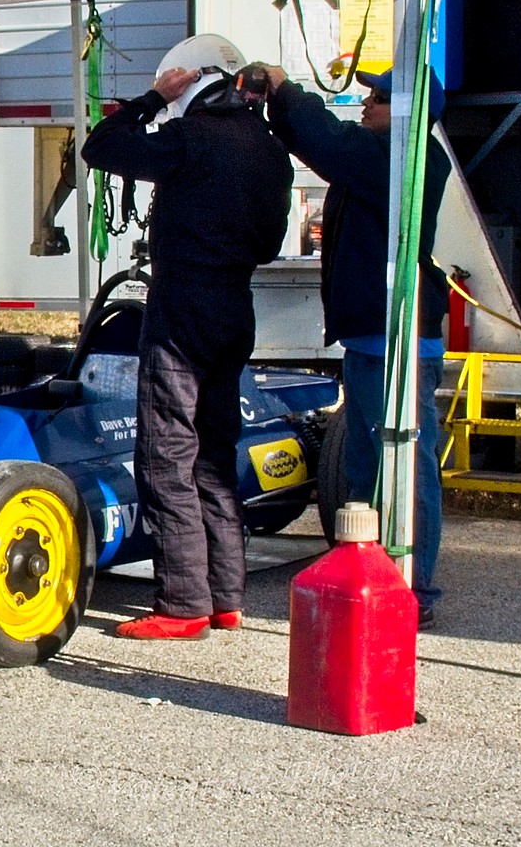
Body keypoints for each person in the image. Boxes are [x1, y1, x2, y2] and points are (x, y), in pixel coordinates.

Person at [83, 35, 292, 639]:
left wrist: (151, 98)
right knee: (215, 454)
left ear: (191, 82)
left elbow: (103, 147)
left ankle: (183, 603)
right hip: (236, 305)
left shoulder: (191, 136)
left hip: (183, 306)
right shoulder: (270, 148)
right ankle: (226, 595)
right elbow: (270, 242)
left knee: (167, 451)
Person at [267, 64, 450, 628]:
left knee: (405, 462)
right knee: (366, 463)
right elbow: (323, 148)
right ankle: (369, 568)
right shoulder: (378, 159)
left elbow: (332, 143)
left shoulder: (405, 160)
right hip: (375, 337)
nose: (365, 103)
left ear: (408, 111)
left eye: (378, 97)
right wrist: (279, 111)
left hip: (397, 339)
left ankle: (412, 587)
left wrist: (287, 89)